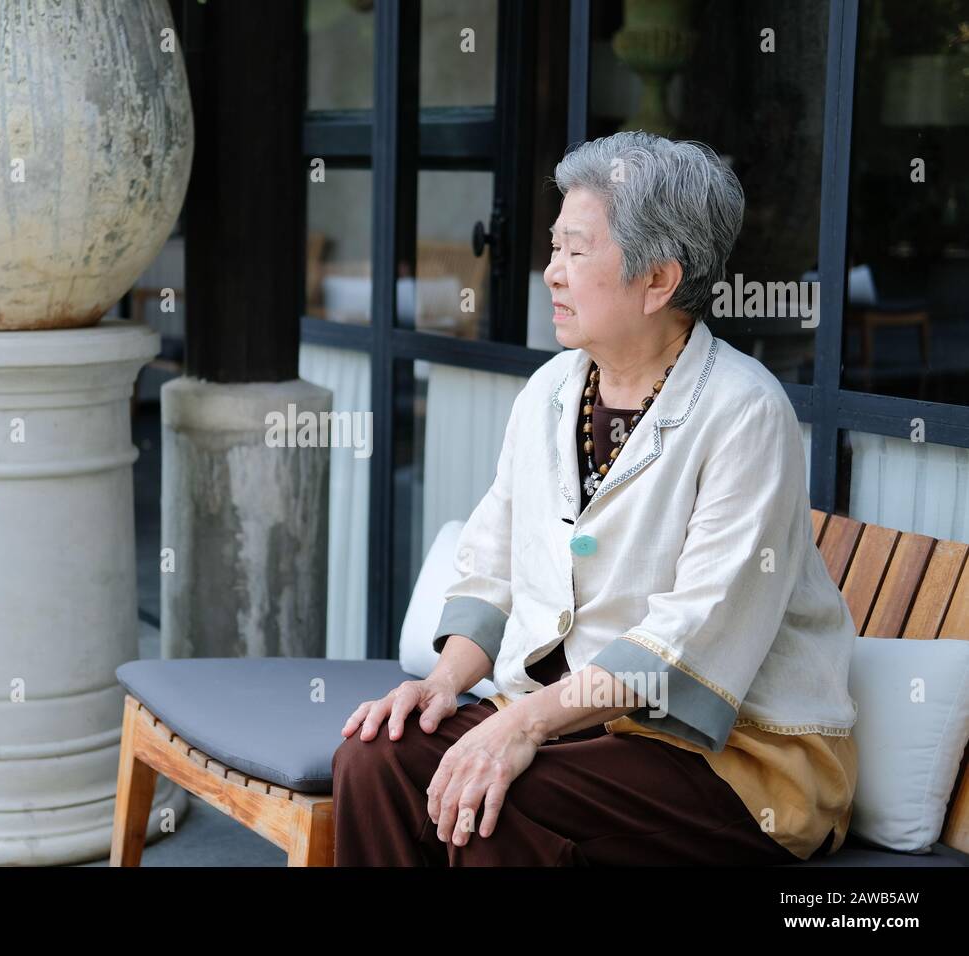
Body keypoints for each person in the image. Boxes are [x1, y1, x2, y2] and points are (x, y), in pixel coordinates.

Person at [331, 131, 859, 866]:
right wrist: (444, 683)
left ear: (658, 280)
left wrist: (523, 727)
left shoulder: (744, 412)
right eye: (554, 249)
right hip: (575, 730)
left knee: (498, 806)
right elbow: (492, 559)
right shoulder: (551, 388)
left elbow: (691, 633)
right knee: (375, 756)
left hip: (728, 756)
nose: (550, 273)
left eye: (576, 252)